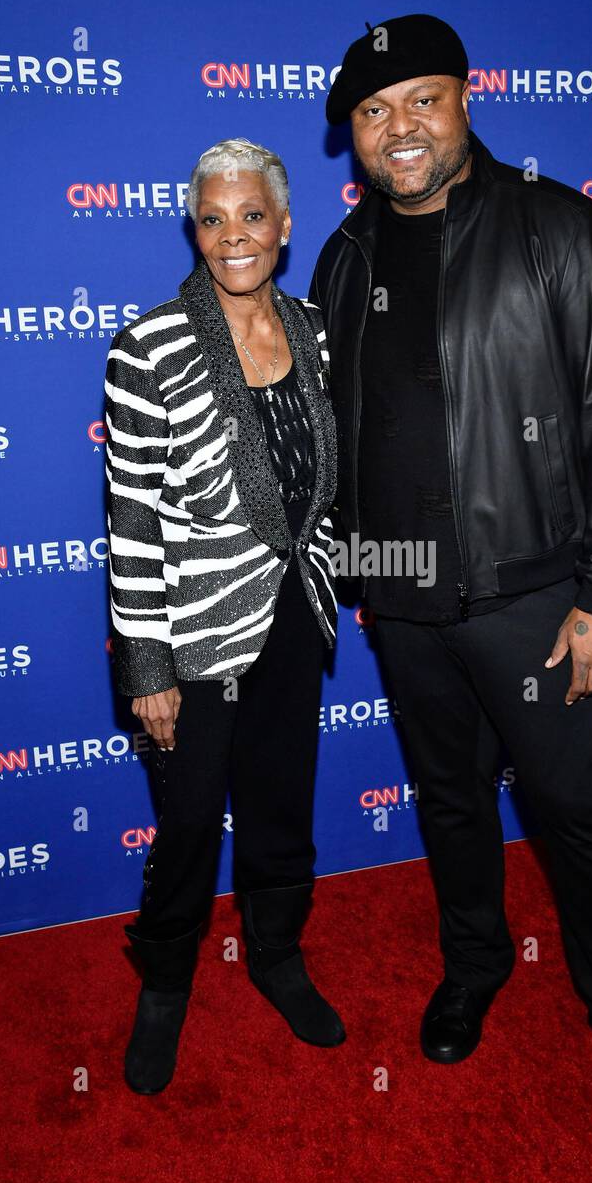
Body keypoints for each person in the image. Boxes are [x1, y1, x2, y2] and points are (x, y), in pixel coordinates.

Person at [310, 15, 592, 1127]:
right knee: (450, 805)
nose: (398, 128)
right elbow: (336, 430)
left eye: (419, 98)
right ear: (356, 139)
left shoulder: (555, 226)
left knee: (571, 812)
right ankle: (474, 967)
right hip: (403, 596)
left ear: (465, 98)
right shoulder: (345, 254)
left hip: (534, 595)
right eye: (373, 113)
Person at [105, 137, 344, 1095]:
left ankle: (278, 956)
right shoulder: (151, 346)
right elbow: (129, 515)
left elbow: (328, 479)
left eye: (252, 216)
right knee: (192, 821)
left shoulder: (318, 329)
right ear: (194, 231)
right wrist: (147, 665)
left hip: (297, 610)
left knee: (283, 804)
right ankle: (164, 984)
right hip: (196, 627)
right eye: (214, 218)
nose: (233, 235)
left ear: (284, 228)